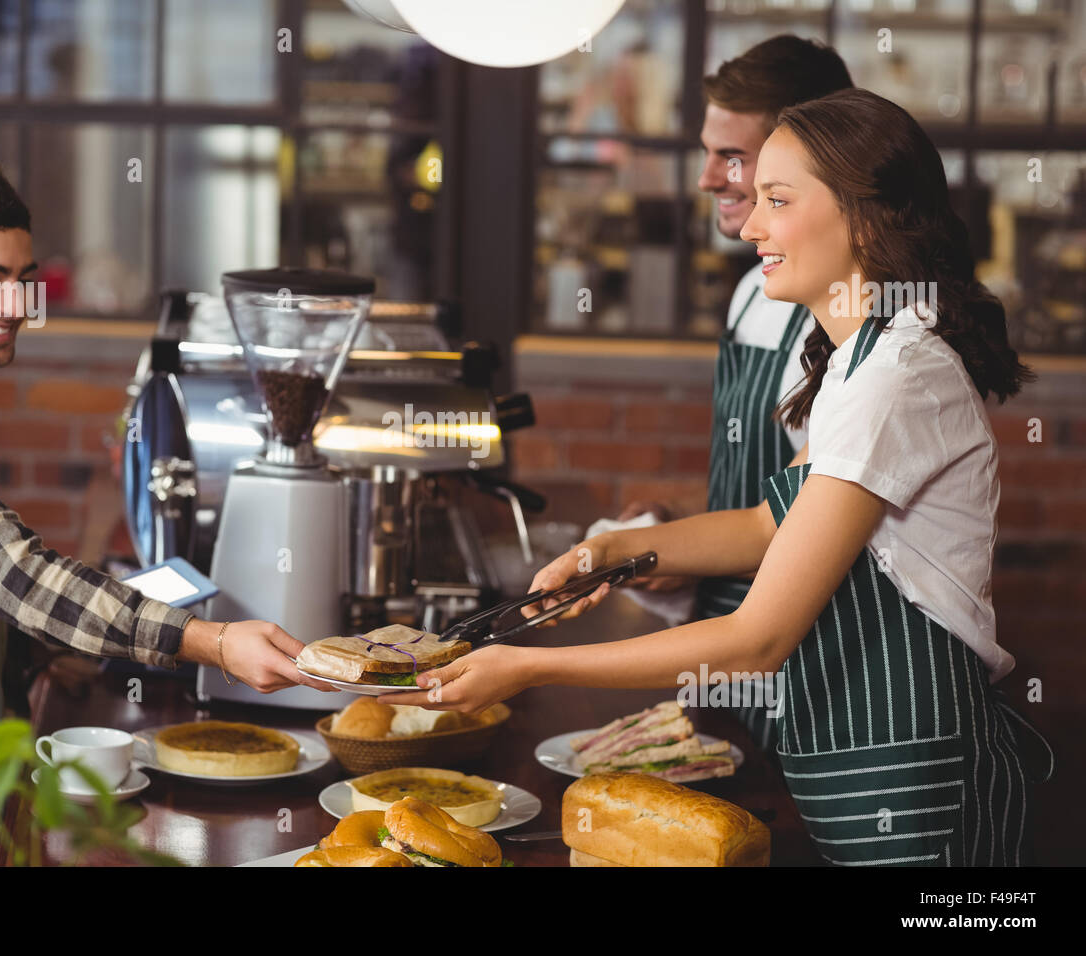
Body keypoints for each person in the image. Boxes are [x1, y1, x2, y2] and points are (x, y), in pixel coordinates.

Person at [382, 89, 1055, 866]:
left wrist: (528, 666)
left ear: (866, 219)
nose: (753, 226)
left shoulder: (900, 375)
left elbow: (757, 639)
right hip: (859, 774)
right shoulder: (858, 361)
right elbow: (766, 526)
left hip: (918, 794)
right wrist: (615, 552)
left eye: (776, 200)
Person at [0, 151, 335, 867]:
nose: (13, 305)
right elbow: (12, 573)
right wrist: (214, 643)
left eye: (23, 280)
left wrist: (47, 649)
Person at [616, 36, 852, 754]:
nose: (707, 178)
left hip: (817, 671)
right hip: (724, 659)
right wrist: (671, 533)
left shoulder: (854, 321)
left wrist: (649, 552)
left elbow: (802, 524)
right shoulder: (755, 288)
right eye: (707, 151)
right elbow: (768, 490)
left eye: (735, 158)